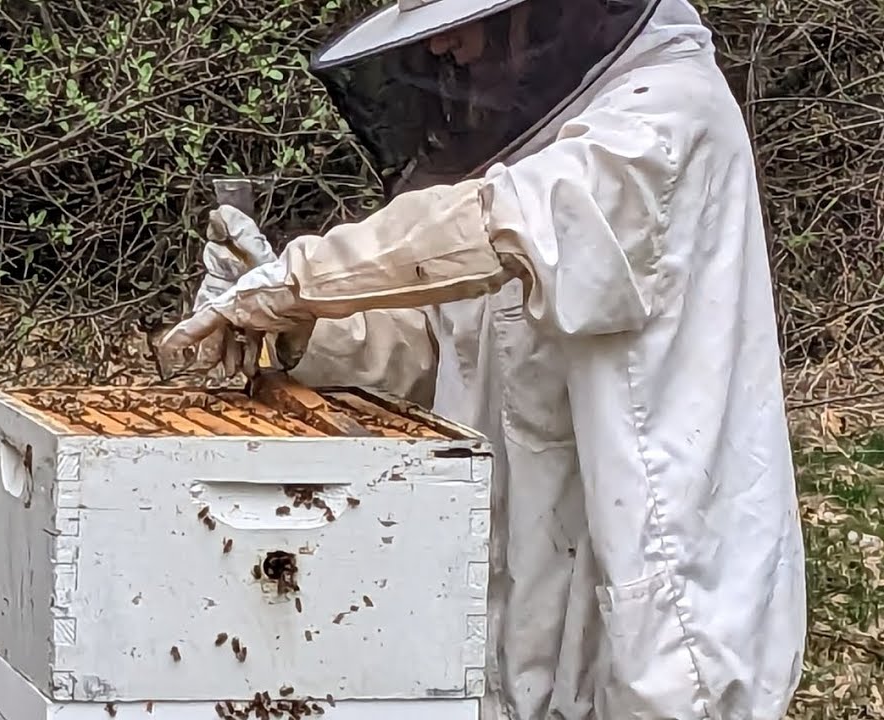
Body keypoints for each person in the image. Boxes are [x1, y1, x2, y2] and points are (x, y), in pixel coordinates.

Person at [158, 0, 808, 717]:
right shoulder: (540, 148)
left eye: (470, 15)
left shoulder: (665, 120)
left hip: (661, 614)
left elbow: (498, 227)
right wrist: (305, 330)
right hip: (521, 591)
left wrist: (297, 281)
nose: (447, 46)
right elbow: (444, 344)